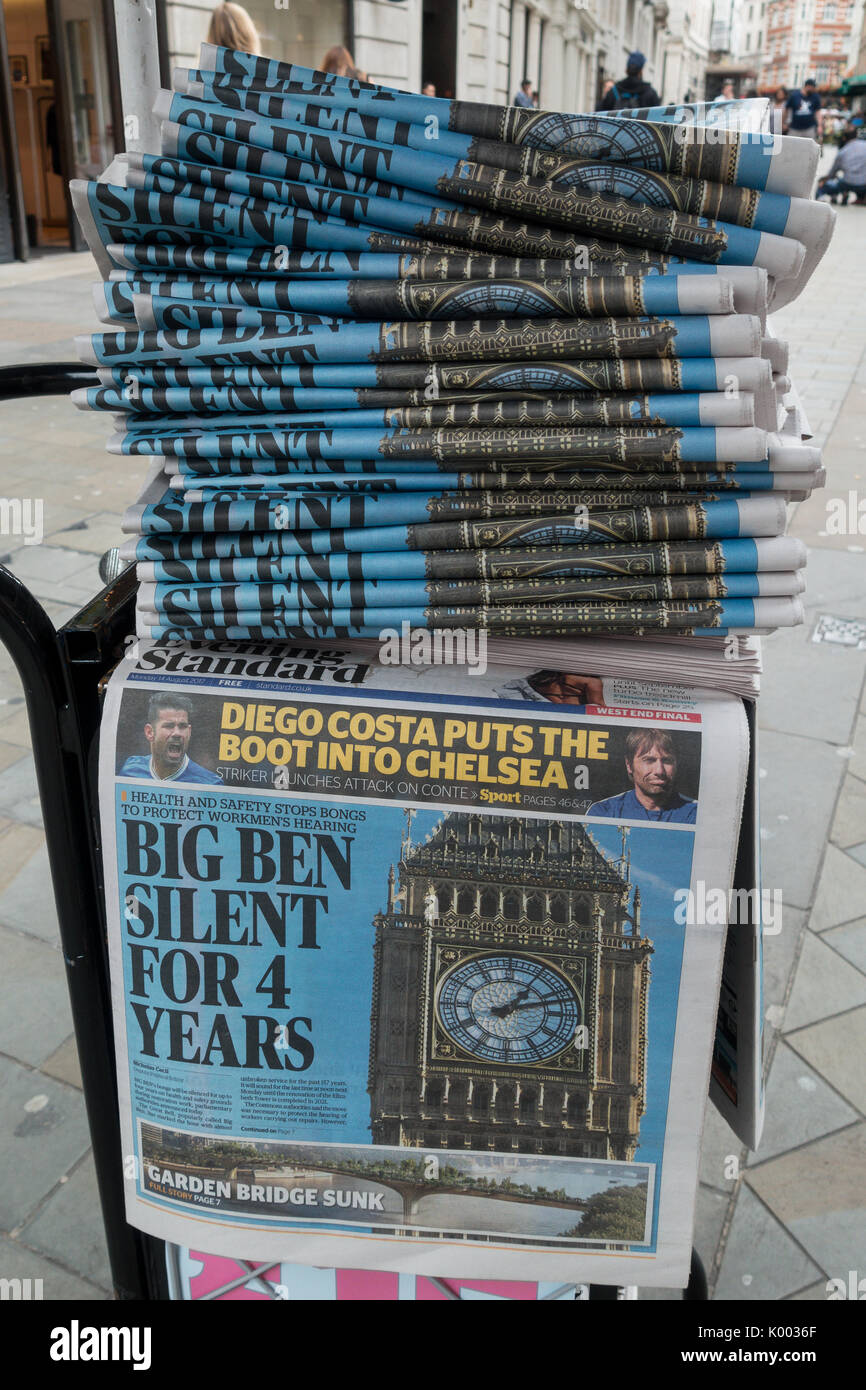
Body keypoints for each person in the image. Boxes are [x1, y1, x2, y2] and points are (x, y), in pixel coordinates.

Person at [587, 728, 697, 823]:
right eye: (649, 760)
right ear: (629, 765)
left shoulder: (695, 812)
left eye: (667, 761)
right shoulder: (605, 812)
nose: (659, 771)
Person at [119, 695, 223, 784]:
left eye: (182, 726)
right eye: (169, 726)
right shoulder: (131, 768)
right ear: (149, 732)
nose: (177, 733)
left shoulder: (210, 783)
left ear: (189, 732)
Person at [816, 127, 866, 203]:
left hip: (847, 183)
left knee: (824, 184)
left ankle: (823, 196)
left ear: (844, 138)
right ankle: (861, 198)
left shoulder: (842, 152)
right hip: (864, 184)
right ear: (856, 135)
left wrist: (822, 181)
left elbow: (832, 174)